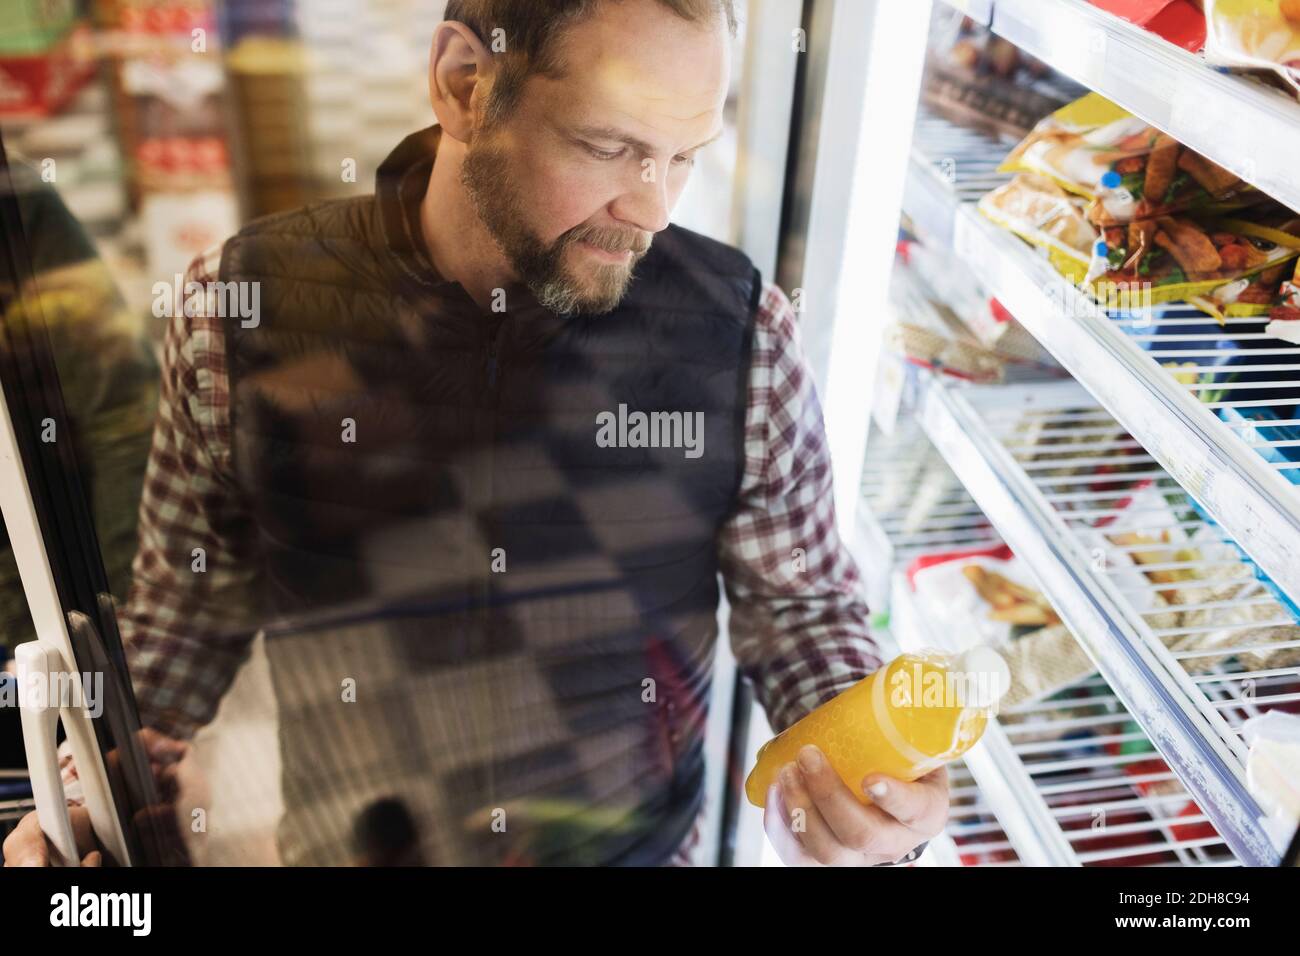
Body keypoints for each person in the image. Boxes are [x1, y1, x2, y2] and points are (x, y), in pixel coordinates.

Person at [5, 0, 947, 867]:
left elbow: (802, 609)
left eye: (687, 152)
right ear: (465, 84)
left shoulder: (744, 333)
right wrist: (93, 791)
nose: (654, 210)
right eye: (610, 144)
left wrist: (863, 775)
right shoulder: (235, 307)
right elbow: (184, 607)